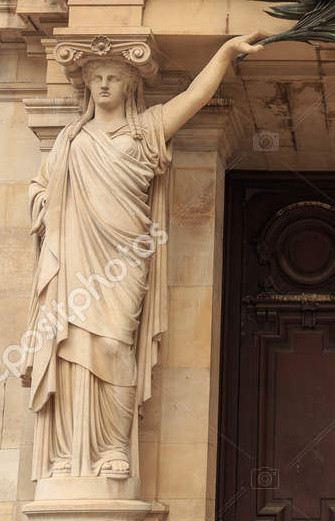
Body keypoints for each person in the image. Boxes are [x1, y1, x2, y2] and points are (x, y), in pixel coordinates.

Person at [24, 34, 263, 480]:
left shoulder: (147, 128)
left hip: (125, 256)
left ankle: (114, 445)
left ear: (131, 85)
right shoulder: (70, 139)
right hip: (76, 250)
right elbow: (40, 187)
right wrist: (42, 204)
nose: (104, 85)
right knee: (71, 346)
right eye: (97, 78)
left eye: (114, 77)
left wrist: (224, 53)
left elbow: (194, 97)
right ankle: (68, 454)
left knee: (115, 345)